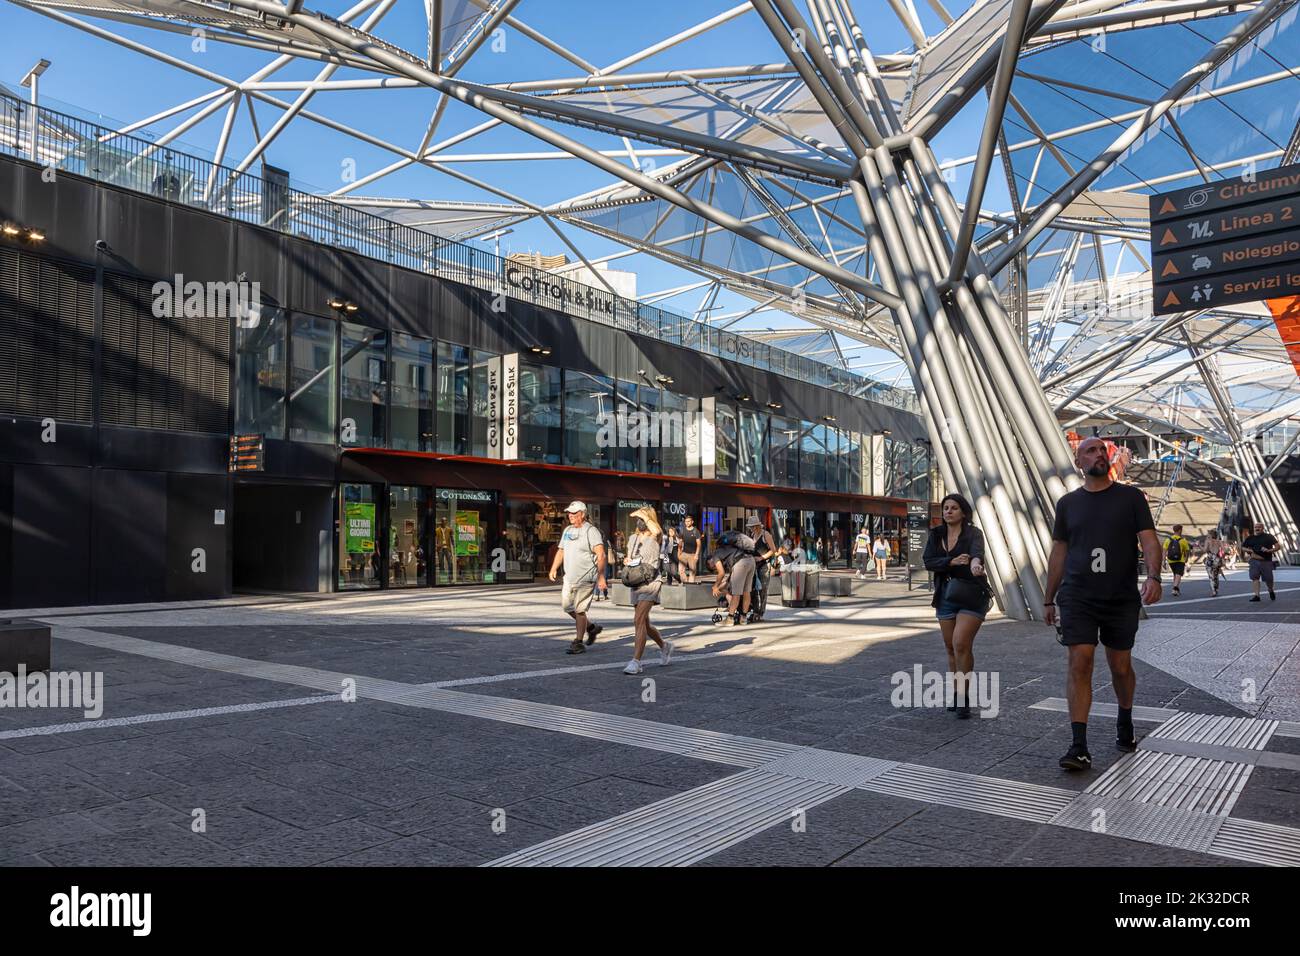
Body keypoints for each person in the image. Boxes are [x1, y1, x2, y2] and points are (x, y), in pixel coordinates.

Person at [1044, 436, 1163, 771]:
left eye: (1102, 450)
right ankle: (1078, 745)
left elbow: (1150, 541)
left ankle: (1124, 719)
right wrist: (1048, 598)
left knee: (1120, 666)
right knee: (1079, 661)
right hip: (1078, 595)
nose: (1099, 454)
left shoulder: (1131, 498)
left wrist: (1153, 577)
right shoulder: (1067, 504)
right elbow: (1059, 552)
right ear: (1078, 461)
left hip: (1120, 595)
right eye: (1090, 451)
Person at [923, 494, 990, 719]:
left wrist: (975, 565)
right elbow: (928, 561)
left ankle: (964, 697)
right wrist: (950, 562)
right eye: (945, 508)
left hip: (971, 593)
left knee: (961, 643)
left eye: (953, 508)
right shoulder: (936, 534)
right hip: (945, 595)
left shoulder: (973, 533)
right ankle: (956, 692)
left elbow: (976, 555)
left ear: (963, 512)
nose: (948, 511)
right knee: (951, 648)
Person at [547, 501, 607, 655]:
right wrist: (553, 568)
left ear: (583, 514)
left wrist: (601, 577)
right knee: (567, 607)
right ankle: (591, 628)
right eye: (569, 513)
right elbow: (561, 551)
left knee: (580, 609)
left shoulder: (591, 531)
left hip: (586, 577)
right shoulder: (567, 530)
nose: (570, 516)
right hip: (569, 578)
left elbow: (601, 554)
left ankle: (578, 642)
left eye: (574, 513)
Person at [622, 507, 673, 674]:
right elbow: (630, 557)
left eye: (643, 519)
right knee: (644, 622)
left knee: (638, 619)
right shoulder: (632, 538)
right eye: (638, 519)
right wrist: (627, 560)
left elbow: (657, 530)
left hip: (651, 581)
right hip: (636, 581)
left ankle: (636, 661)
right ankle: (664, 646)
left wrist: (644, 514)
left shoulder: (655, 536)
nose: (640, 522)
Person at [708, 536, 756, 626]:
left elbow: (721, 573)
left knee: (736, 593)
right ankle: (743, 618)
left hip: (741, 563)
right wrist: (719, 586)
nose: (713, 566)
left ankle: (730, 619)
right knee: (747, 592)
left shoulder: (715, 554)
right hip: (751, 560)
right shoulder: (732, 549)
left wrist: (715, 586)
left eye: (711, 565)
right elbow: (728, 579)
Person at [747, 514, 778, 623]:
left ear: (757, 526)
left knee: (763, 590)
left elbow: (773, 550)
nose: (751, 528)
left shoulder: (766, 535)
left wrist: (761, 558)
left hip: (764, 565)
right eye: (750, 527)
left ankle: (761, 612)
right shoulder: (751, 535)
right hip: (753, 565)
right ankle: (755, 611)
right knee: (753, 589)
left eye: (752, 526)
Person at [1242, 521, 1280, 602]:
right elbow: (1243, 547)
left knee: (1269, 579)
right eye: (1256, 527)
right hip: (1254, 560)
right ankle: (1257, 596)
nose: (1257, 528)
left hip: (1266, 561)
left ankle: (1270, 590)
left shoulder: (1269, 537)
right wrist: (1249, 550)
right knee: (1255, 578)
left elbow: (1277, 546)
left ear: (1263, 528)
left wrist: (1270, 550)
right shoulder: (1250, 538)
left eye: (1259, 527)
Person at [1164, 524, 1191, 597]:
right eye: (1181, 530)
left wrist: (1163, 561)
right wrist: (1186, 558)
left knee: (1175, 575)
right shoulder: (1182, 541)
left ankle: (1176, 590)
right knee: (1178, 574)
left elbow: (1164, 551)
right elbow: (1188, 550)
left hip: (1170, 560)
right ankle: (1174, 588)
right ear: (1179, 530)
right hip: (1180, 560)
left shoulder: (1168, 540)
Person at [1202, 529, 1226, 597]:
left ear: (1210, 535)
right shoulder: (1219, 542)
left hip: (1210, 559)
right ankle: (1216, 588)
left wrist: (1199, 546)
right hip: (1217, 559)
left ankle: (1213, 591)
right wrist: (1222, 557)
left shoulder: (1208, 541)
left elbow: (1204, 550)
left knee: (1211, 576)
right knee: (1216, 575)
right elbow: (1224, 550)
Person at [679, 515, 702, 583]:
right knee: (681, 571)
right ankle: (686, 583)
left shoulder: (696, 531)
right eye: (686, 521)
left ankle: (690, 586)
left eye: (688, 521)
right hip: (684, 553)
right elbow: (680, 542)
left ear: (692, 522)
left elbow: (699, 544)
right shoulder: (682, 530)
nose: (687, 523)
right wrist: (679, 553)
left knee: (692, 572)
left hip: (692, 554)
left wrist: (697, 554)